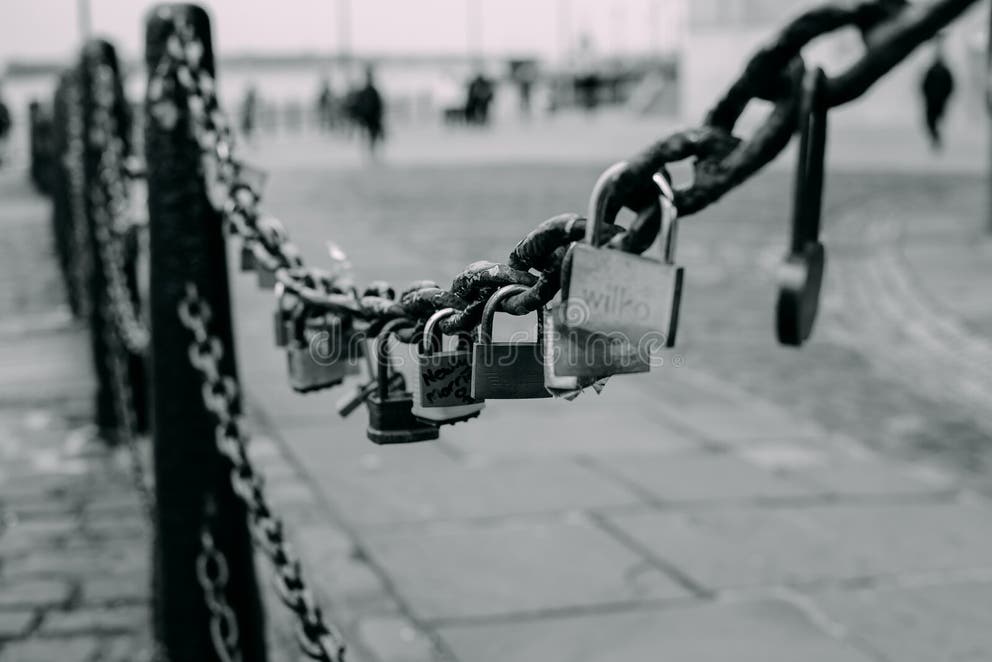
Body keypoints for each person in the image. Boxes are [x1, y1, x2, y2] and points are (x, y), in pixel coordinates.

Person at [920, 38, 954, 151]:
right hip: (938, 101)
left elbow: (924, 85)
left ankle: (936, 139)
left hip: (935, 101)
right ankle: (936, 139)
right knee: (933, 121)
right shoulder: (942, 71)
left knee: (932, 121)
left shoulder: (934, 71)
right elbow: (950, 86)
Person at [350, 66, 385, 157]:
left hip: (371, 117)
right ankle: (369, 150)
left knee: (372, 135)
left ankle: (371, 150)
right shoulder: (368, 91)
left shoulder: (371, 91)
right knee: (370, 135)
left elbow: (378, 105)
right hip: (368, 117)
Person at [0, 86, 11, 168]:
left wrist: (6, 130)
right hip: (3, 131)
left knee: (2, 147)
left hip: (2, 131)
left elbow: (8, 120)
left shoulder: (3, 106)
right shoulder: (3, 106)